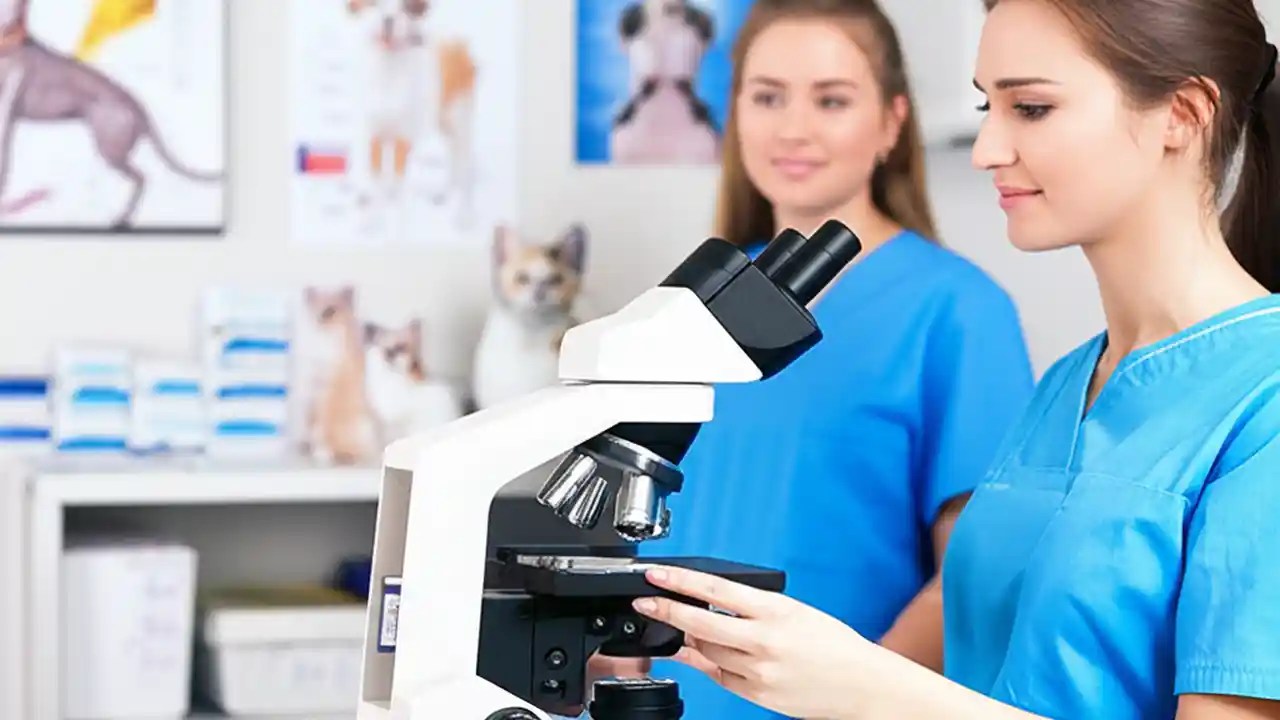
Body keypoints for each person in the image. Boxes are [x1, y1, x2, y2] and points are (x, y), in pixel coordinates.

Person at [626, 0, 1280, 718]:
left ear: (1183, 114)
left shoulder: (1262, 399)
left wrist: (863, 688)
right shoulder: (1067, 386)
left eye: (1031, 107)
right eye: (985, 106)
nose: (985, 149)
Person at [592, 1, 1035, 718]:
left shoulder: (956, 310)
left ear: (892, 121)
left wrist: (850, 700)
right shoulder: (686, 307)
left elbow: (972, 577)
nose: (793, 128)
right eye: (767, 97)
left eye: (831, 100)